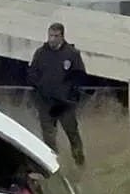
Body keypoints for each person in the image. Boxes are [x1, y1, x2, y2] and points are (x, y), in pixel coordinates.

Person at [27, 22, 87, 165]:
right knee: (48, 139)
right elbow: (32, 74)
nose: (52, 39)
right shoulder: (41, 53)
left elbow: (79, 76)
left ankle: (80, 162)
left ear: (62, 36)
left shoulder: (72, 54)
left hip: (64, 104)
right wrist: (39, 91)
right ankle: (54, 167)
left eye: (55, 36)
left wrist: (71, 96)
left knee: (72, 134)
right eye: (50, 36)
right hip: (46, 104)